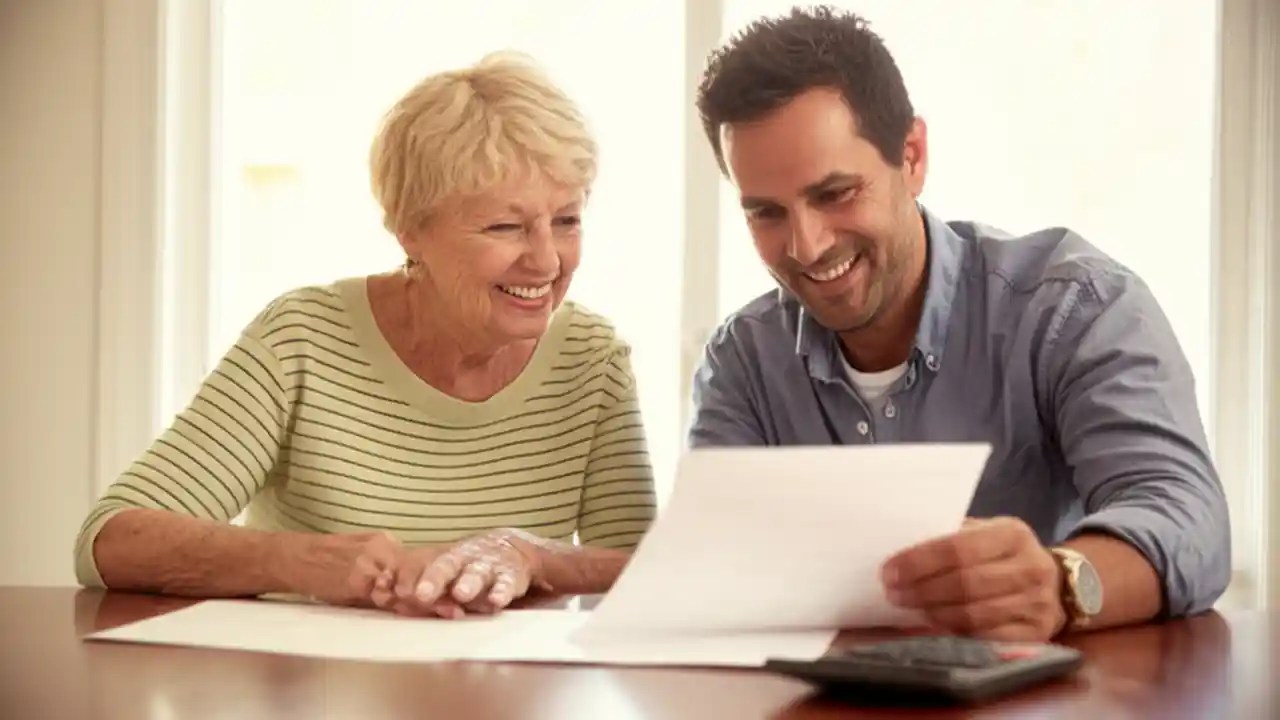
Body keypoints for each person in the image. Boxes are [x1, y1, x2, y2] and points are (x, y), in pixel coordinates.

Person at [690, 6, 1229, 641]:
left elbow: (1187, 519)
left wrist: (1060, 584)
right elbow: (710, 566)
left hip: (1052, 687)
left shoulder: (1073, 309)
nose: (806, 246)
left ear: (912, 156)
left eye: (835, 194)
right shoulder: (743, 361)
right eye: (766, 213)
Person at [74, 52, 657, 619]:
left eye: (567, 220)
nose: (547, 260)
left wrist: (532, 555)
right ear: (410, 230)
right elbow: (111, 541)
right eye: (506, 226)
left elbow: (651, 575)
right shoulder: (302, 341)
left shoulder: (591, 359)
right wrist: (304, 562)